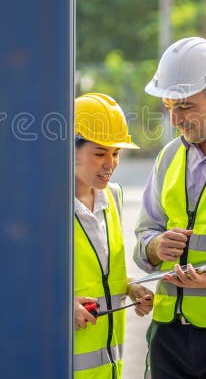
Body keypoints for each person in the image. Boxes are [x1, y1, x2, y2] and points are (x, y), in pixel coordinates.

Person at [133, 37, 206, 378]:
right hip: (168, 335)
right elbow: (144, 234)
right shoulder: (169, 156)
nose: (174, 119)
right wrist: (155, 246)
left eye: (184, 107)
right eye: (169, 106)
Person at [73, 93, 154, 378]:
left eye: (116, 153)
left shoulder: (113, 197)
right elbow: (21, 282)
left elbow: (101, 273)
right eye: (99, 153)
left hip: (110, 368)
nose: (110, 163)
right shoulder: (47, 206)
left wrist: (129, 286)